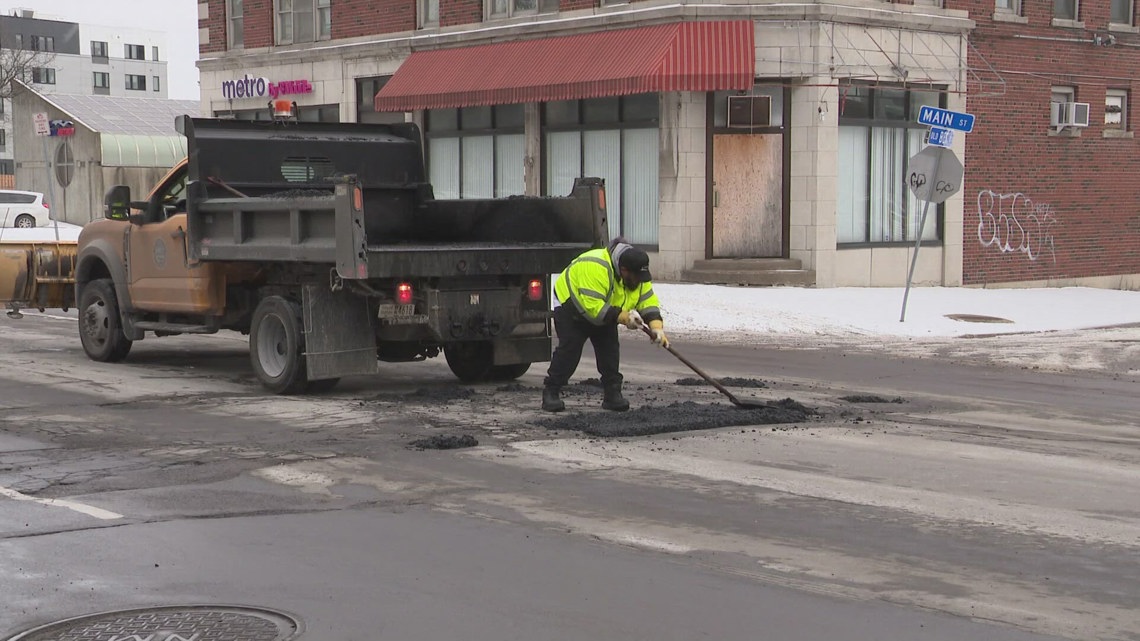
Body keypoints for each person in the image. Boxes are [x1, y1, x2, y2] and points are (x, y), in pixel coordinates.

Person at [542, 238, 669, 413]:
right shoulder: (596, 267)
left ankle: (612, 395)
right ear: (623, 270)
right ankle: (551, 391)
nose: (639, 282)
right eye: (635, 278)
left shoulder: (637, 273)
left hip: (606, 310)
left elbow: (647, 301)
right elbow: (593, 306)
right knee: (569, 349)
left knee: (609, 350)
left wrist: (657, 327)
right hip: (572, 307)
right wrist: (624, 317)